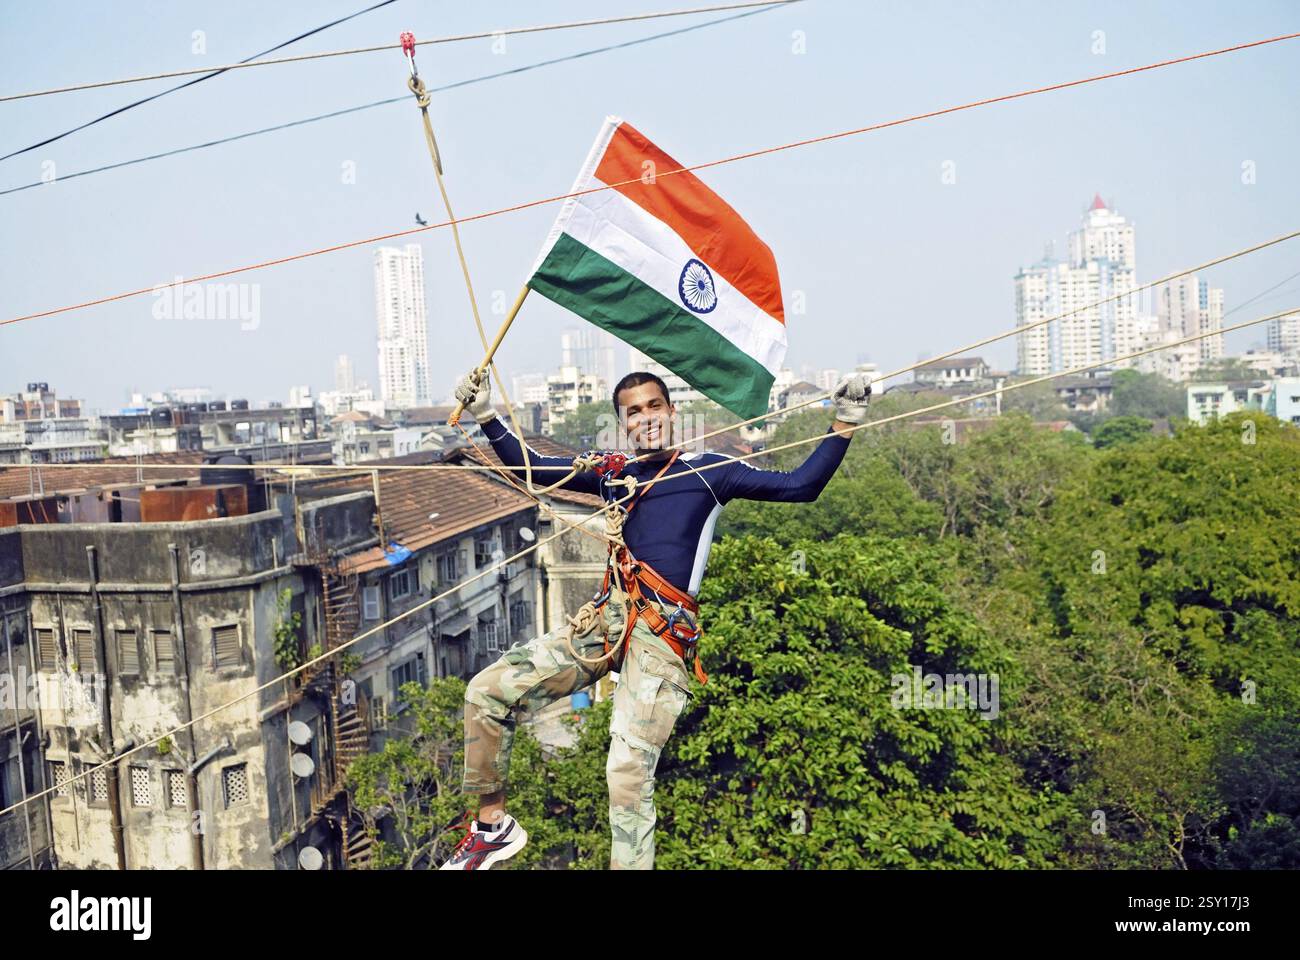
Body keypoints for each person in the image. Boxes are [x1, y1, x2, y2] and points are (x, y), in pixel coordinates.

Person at [439, 367, 872, 869]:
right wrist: (489, 415)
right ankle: (493, 826)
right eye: (634, 411)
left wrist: (844, 421)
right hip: (606, 622)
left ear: (671, 411)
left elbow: (801, 485)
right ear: (623, 422)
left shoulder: (709, 472)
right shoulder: (612, 472)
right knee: (487, 691)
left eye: (654, 406)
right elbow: (534, 468)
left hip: (660, 640)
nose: (646, 418)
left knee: (626, 771)